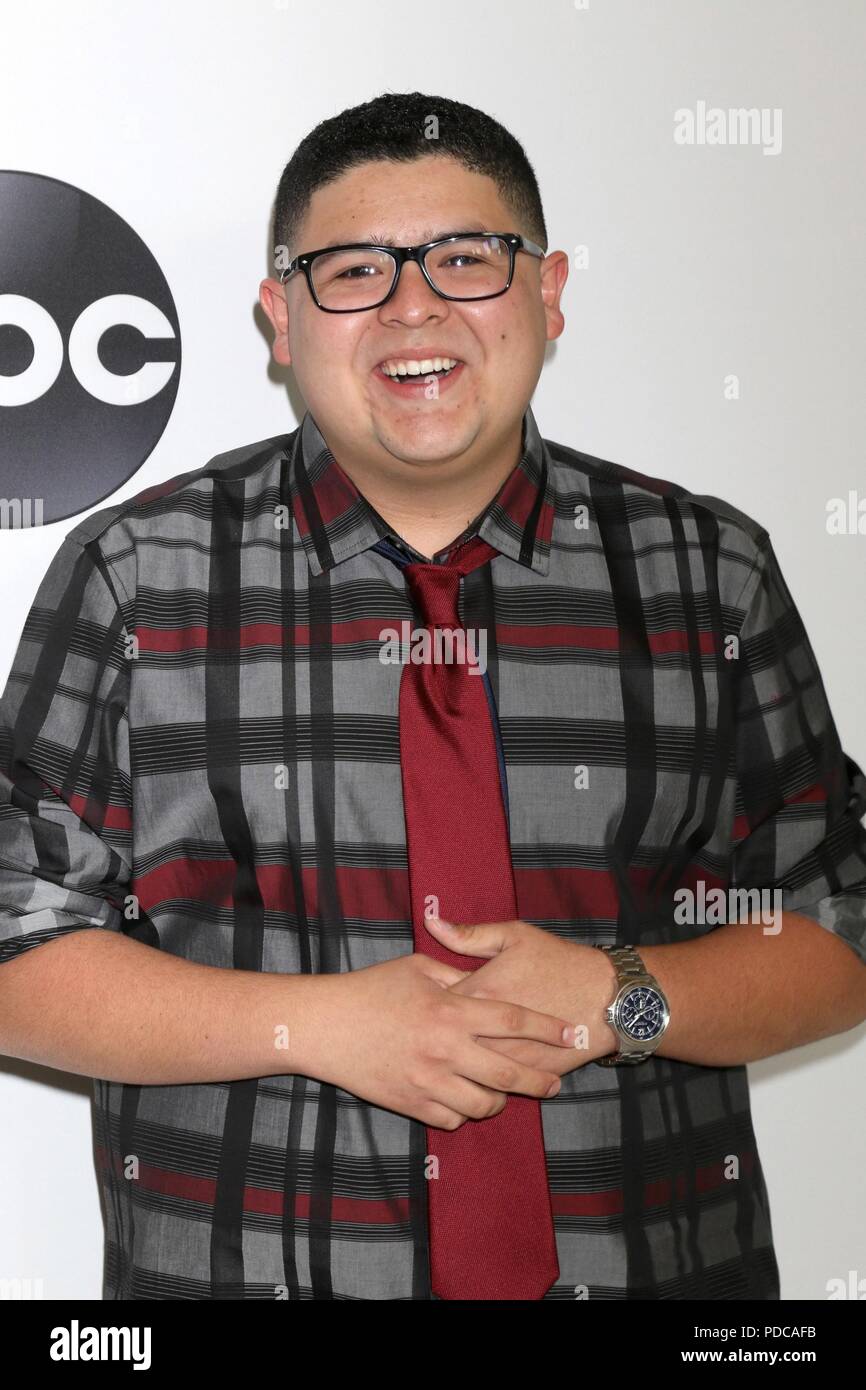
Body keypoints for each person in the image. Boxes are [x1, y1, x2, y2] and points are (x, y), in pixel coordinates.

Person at [1, 90, 865, 1301]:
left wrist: (618, 994)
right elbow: (12, 942)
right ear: (280, 319)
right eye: (353, 269)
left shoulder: (703, 571)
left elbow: (833, 932)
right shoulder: (140, 575)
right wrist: (323, 1025)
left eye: (466, 258)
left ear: (548, 291)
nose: (414, 306)